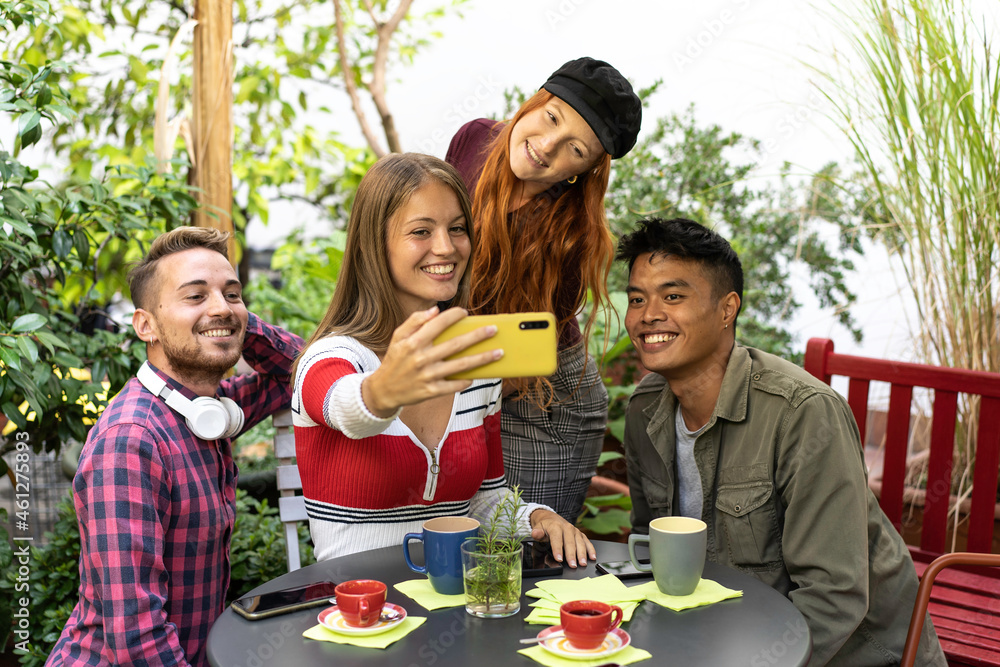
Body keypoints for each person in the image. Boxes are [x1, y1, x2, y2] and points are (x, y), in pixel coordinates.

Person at [617, 217, 946, 666]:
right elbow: (649, 546)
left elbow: (835, 597)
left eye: (673, 296)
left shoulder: (804, 413)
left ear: (727, 309)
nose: (648, 314)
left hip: (840, 655)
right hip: (716, 638)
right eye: (637, 299)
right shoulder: (645, 409)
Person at [292, 152, 595, 567]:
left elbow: (484, 501)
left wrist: (538, 517)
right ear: (373, 244)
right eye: (421, 231)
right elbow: (348, 408)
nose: (446, 247)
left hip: (451, 603)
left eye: (457, 229)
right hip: (362, 615)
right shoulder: (332, 358)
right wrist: (387, 388)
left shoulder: (476, 364)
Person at [47, 227, 303, 667]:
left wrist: (229, 318)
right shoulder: (131, 441)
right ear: (146, 325)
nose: (220, 304)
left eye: (233, 292)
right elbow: (138, 642)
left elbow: (298, 369)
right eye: (194, 295)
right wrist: (218, 316)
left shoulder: (208, 413)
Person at [445, 56, 642, 522]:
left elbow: (522, 357)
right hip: (474, 373)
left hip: (541, 397)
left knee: (522, 551)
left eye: (575, 149)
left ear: (585, 169)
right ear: (536, 101)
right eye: (551, 118)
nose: (547, 147)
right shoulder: (474, 140)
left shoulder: (570, 237)